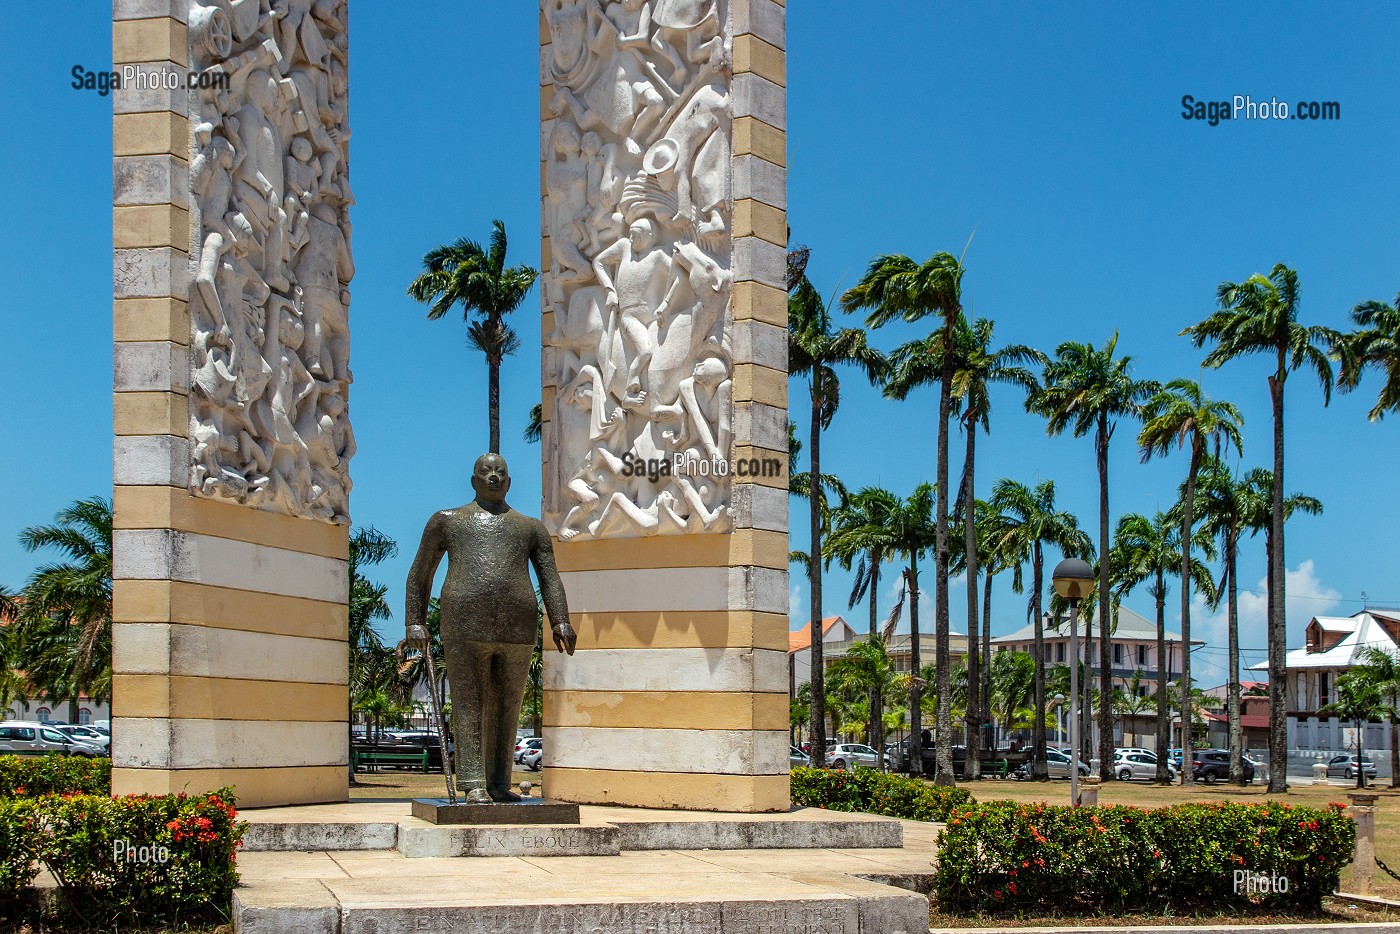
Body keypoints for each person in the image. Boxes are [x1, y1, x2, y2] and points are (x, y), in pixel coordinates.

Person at [405, 454, 576, 803]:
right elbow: (421, 573)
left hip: (517, 626)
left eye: (501, 473)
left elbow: (549, 577)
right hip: (464, 624)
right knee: (469, 704)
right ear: (473, 481)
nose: (494, 477)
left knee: (508, 707)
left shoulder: (530, 528)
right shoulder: (447, 521)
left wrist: (560, 619)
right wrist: (414, 621)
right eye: (487, 472)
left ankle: (499, 782)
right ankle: (472, 783)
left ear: (510, 482)